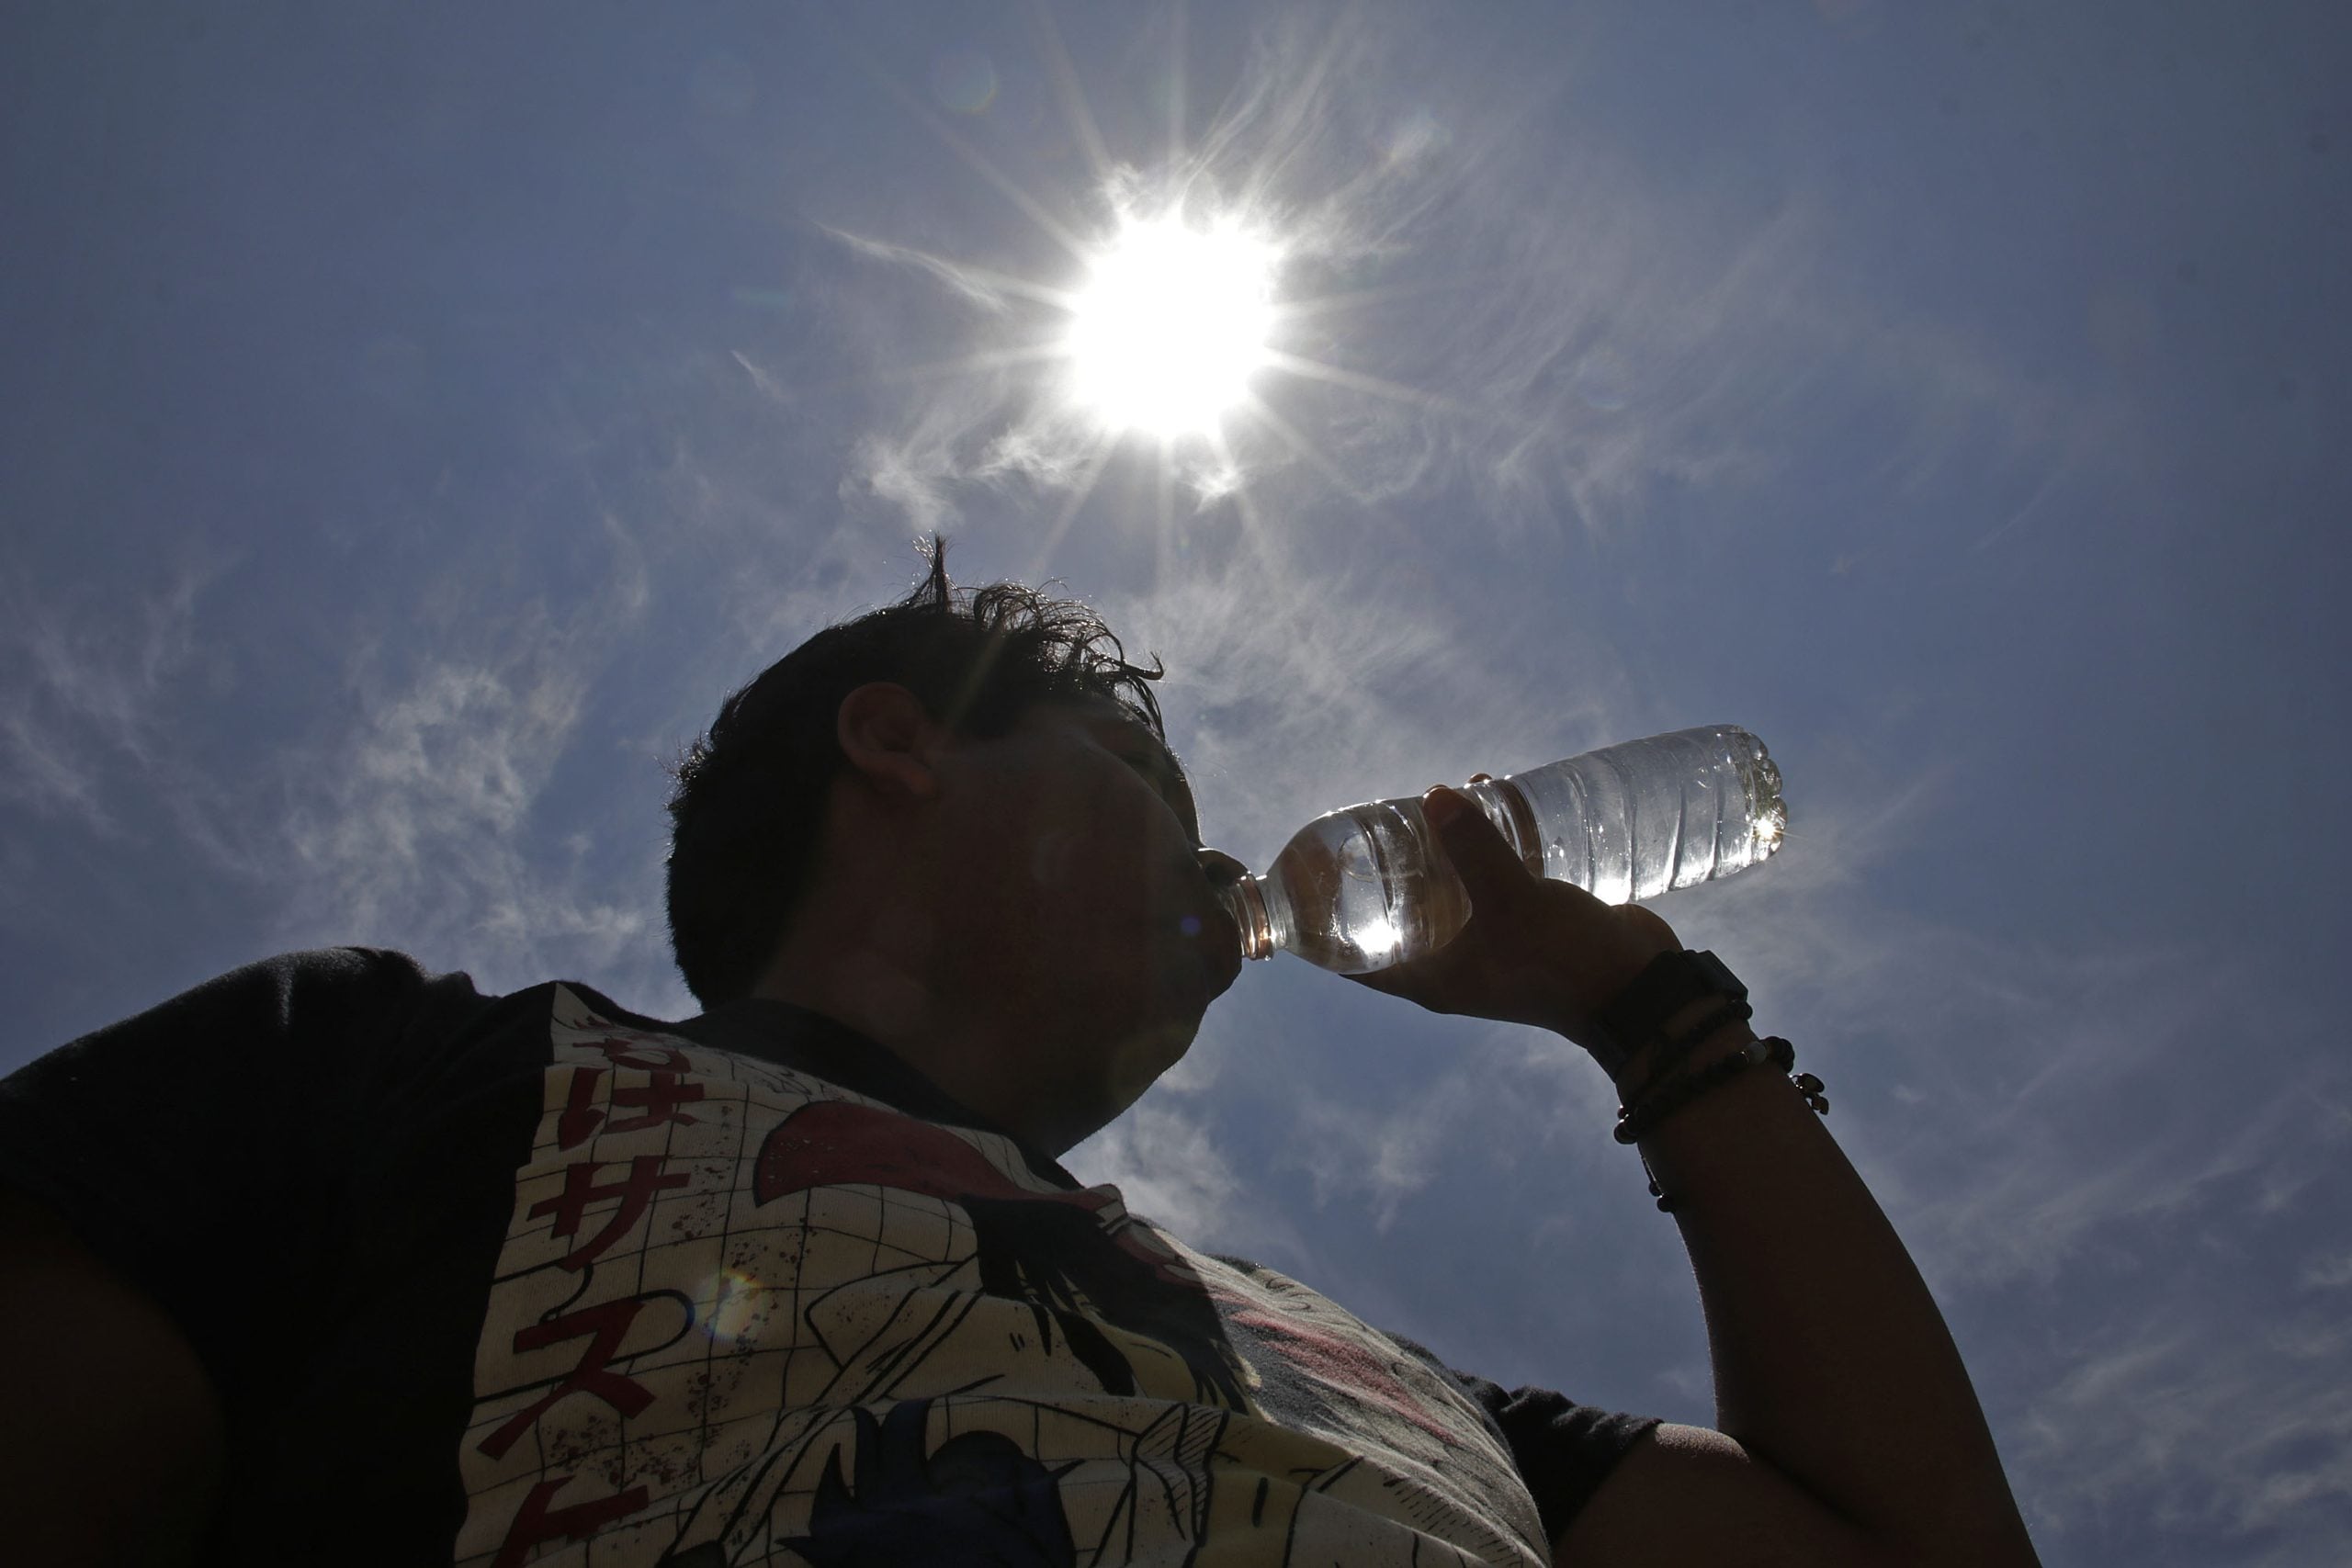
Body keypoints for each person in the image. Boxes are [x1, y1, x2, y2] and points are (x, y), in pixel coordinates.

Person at [0, 541, 2040, 1567]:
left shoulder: (1367, 1377)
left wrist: (1644, 1009)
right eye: (1146, 772)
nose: (1229, 856)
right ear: (896, 740)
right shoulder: (390, 1061)